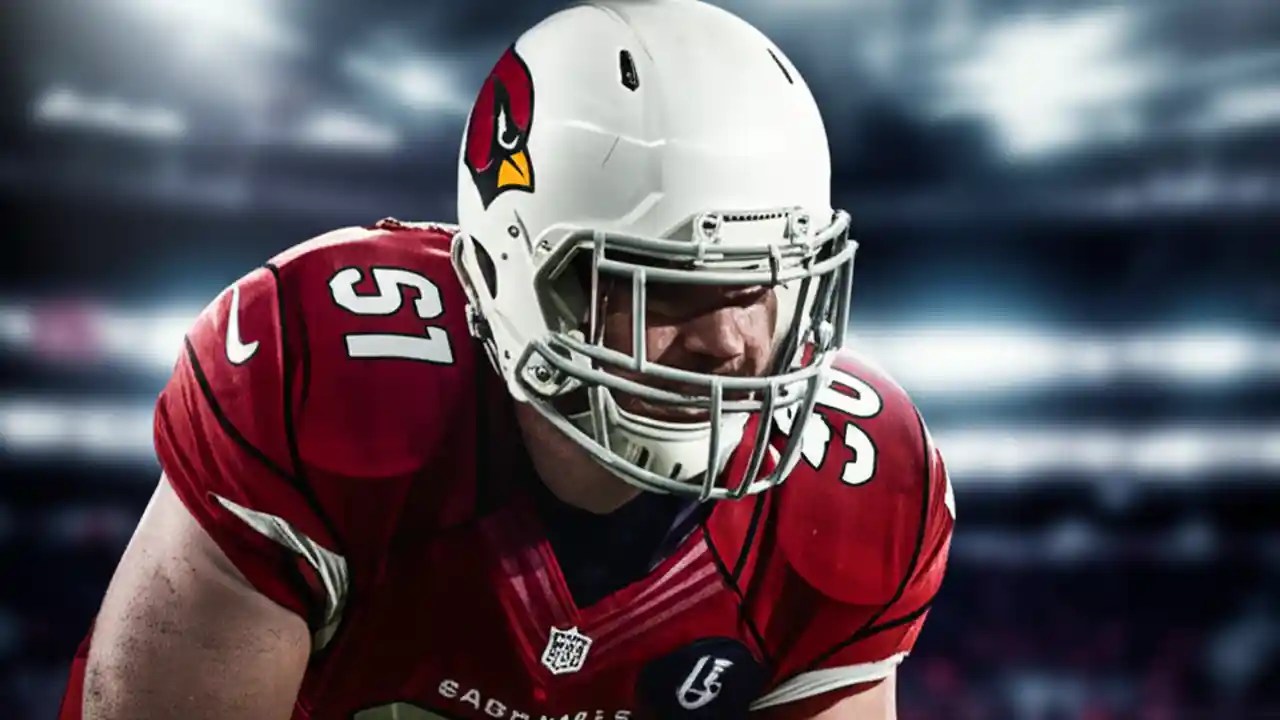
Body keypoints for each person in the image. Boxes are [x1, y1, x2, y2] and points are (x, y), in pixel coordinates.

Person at [60, 1, 954, 718]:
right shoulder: (321, 381)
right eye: (663, 289)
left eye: (758, 286)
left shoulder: (858, 492)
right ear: (508, 273)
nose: (728, 344)